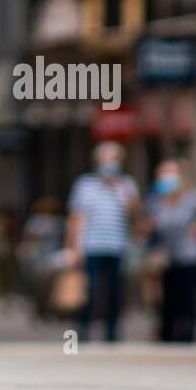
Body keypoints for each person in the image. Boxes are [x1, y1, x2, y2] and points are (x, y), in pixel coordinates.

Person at [64, 142, 140, 342]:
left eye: (113, 159)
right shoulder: (85, 184)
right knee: (89, 290)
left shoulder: (127, 184)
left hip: (118, 246)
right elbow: (76, 217)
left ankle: (112, 334)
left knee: (115, 293)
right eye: (106, 159)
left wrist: (120, 188)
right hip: (90, 246)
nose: (109, 163)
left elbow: (134, 213)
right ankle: (84, 331)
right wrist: (73, 247)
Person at [144, 159, 196, 342]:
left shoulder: (193, 197)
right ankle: (167, 337)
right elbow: (149, 226)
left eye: (170, 173)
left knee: (188, 300)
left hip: (190, 256)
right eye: (163, 174)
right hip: (167, 258)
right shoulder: (156, 200)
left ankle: (189, 338)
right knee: (167, 301)